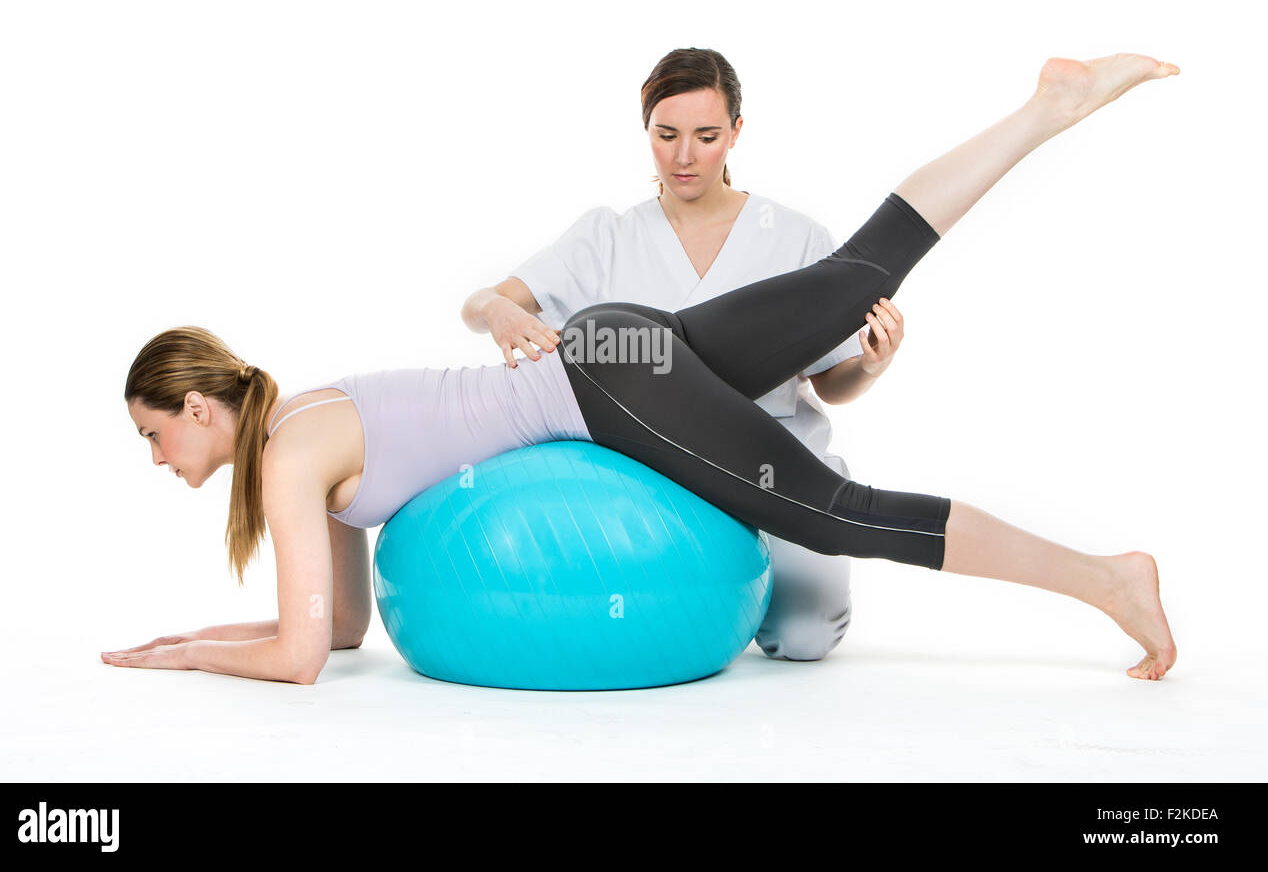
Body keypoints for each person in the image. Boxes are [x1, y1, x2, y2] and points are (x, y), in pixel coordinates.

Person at [108, 52, 1180, 687]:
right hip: (618, 345)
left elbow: (299, 659)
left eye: (155, 432)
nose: (158, 456)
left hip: (607, 381)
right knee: (857, 272)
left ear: (201, 405)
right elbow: (338, 629)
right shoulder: (303, 418)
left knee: (839, 510)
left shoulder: (292, 448)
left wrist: (179, 660)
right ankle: (1050, 107)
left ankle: (1104, 580)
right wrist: (205, 627)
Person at [461, 47, 903, 661]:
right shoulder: (607, 236)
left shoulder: (798, 237)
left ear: (737, 133)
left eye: (706, 136)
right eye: (666, 135)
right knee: (635, 626)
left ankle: (754, 576)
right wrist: (500, 312)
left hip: (775, 461)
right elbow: (481, 301)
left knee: (805, 636)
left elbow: (831, 384)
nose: (684, 156)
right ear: (647, 131)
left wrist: (871, 364)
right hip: (650, 469)